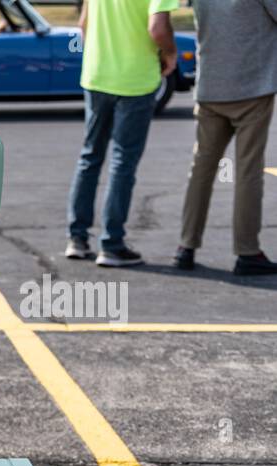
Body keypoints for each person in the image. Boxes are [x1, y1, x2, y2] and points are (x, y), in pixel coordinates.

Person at [65, 0, 178, 267]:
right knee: (122, 162)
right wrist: (170, 53)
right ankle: (111, 244)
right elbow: (158, 28)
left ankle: (77, 238)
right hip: (135, 79)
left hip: (97, 74)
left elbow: (84, 23)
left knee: (90, 156)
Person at [175, 0, 277, 276]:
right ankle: (247, 250)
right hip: (252, 86)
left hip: (210, 85)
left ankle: (186, 245)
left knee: (201, 169)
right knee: (248, 171)